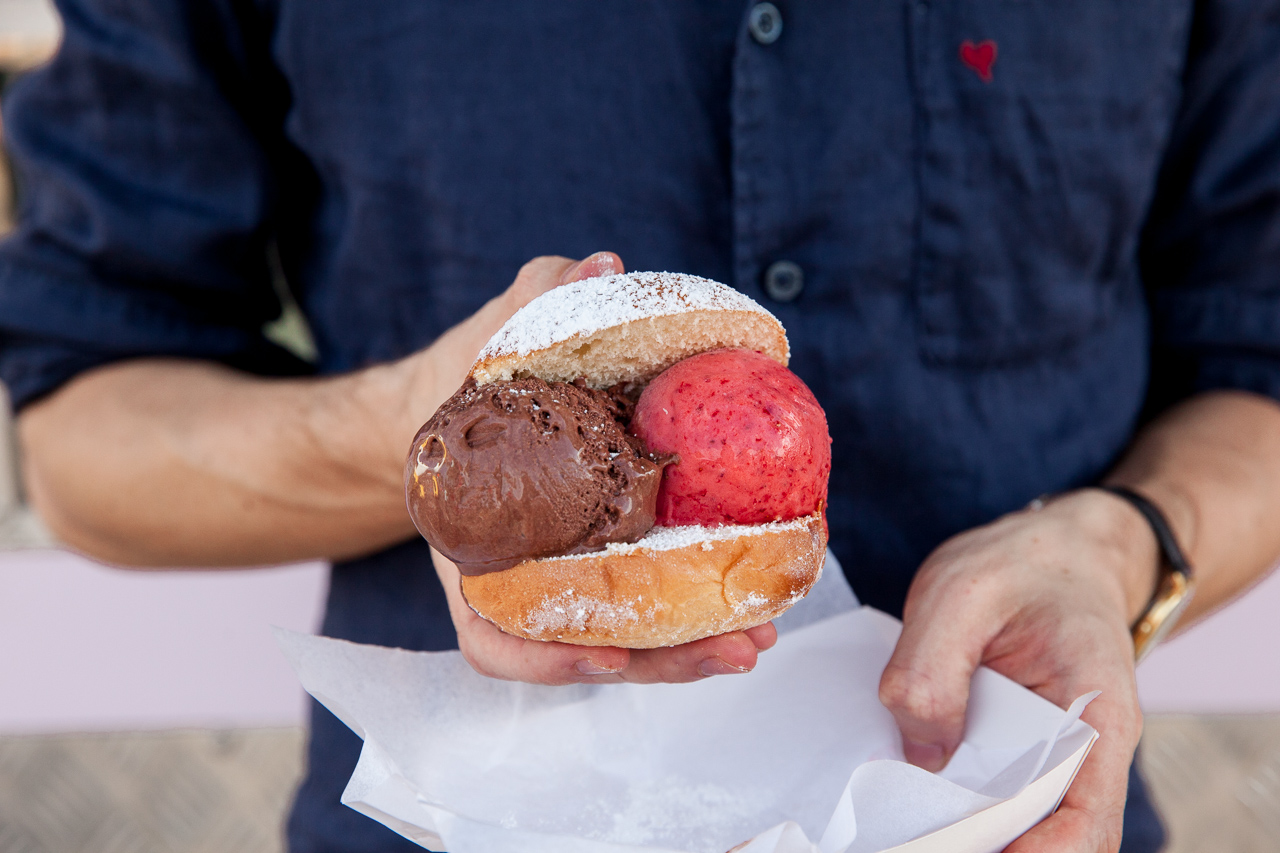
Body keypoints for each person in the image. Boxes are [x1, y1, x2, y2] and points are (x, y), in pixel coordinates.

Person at [3, 2, 1280, 851]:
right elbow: (82, 442)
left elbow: (1257, 348)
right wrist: (421, 437)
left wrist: (1118, 549)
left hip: (1008, 810)